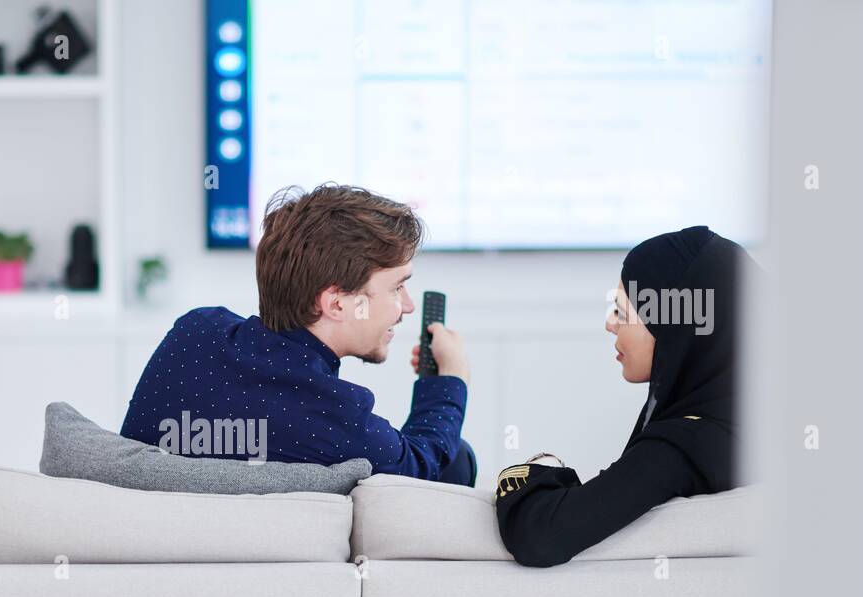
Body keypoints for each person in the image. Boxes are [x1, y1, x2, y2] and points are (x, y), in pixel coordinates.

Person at [120, 184, 476, 484]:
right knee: (458, 458)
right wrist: (450, 378)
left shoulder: (193, 333)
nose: (408, 306)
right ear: (336, 304)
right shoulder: (338, 419)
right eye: (397, 288)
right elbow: (420, 467)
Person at [495, 225, 752, 567]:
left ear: (674, 325)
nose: (610, 324)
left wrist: (541, 469)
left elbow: (540, 536)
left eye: (622, 311)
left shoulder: (688, 445)